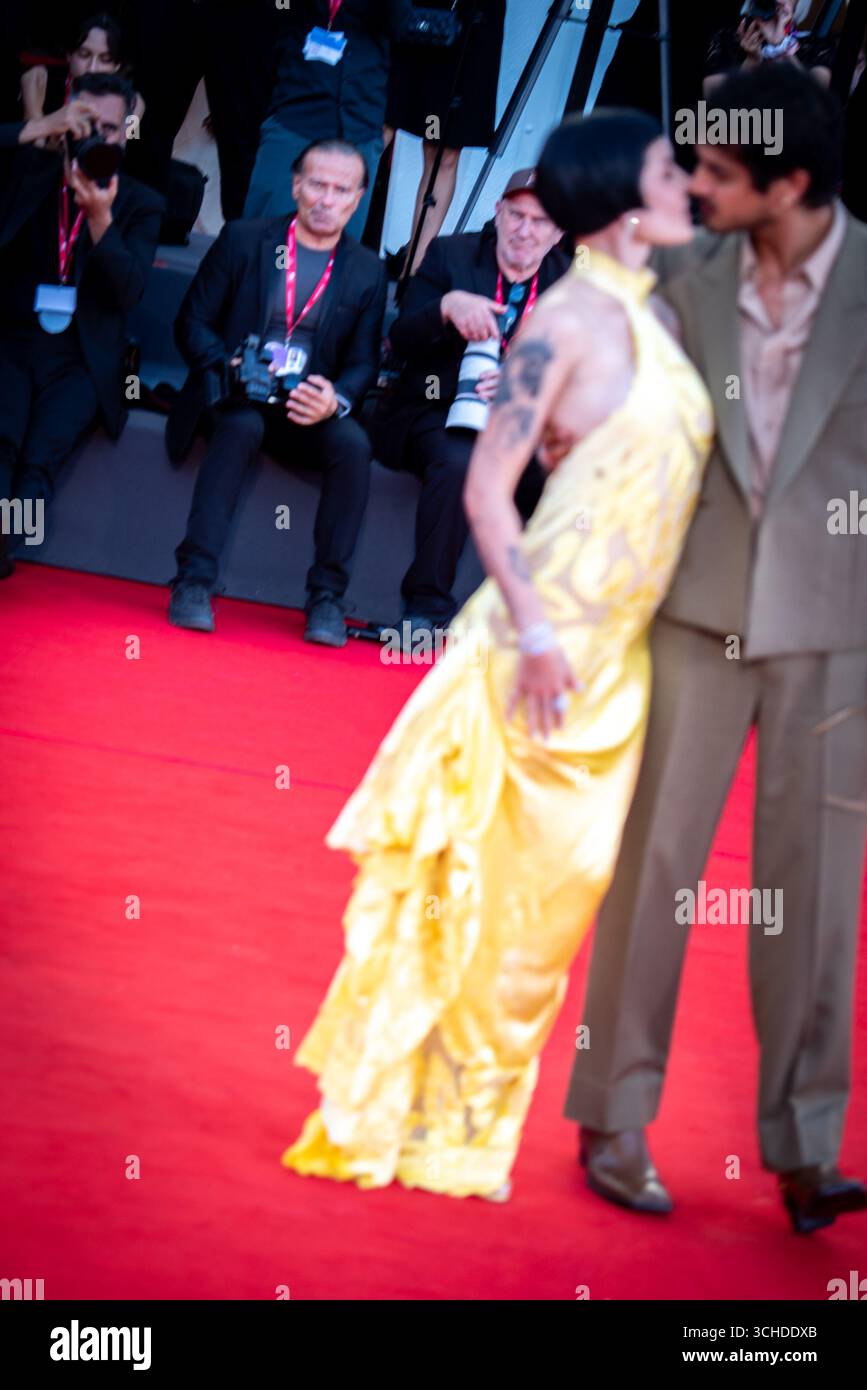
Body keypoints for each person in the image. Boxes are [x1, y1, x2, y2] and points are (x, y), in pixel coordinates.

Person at [278, 110, 713, 1200]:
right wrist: (527, 624)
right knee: (484, 889)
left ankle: (464, 1117)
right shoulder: (564, 319)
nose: (689, 185)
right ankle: (413, 1117)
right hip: (538, 647)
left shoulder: (660, 318)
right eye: (668, 172)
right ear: (620, 194)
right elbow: (485, 483)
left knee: (552, 906)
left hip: (625, 656)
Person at [564, 65, 867, 1236]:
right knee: (655, 873)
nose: (692, 187)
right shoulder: (683, 271)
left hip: (837, 632)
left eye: (718, 175)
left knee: (818, 896)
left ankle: (804, 1148)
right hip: (695, 611)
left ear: (788, 187)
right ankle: (614, 1115)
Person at [166, 138, 387, 647]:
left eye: (340, 189)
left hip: (305, 408)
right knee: (241, 427)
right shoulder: (244, 239)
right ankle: (194, 582)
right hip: (236, 396)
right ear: (295, 185)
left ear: (357, 199)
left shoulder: (368, 270)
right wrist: (228, 364)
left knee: (353, 445)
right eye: (317, 184)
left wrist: (336, 399)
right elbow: (191, 322)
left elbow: (363, 363)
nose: (326, 199)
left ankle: (327, 598)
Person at [372, 167, 569, 642]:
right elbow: (399, 338)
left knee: (573, 477)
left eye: (540, 222)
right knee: (462, 461)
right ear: (497, 213)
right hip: (434, 408)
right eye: (516, 215)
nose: (525, 230)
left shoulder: (573, 282)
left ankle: (544, 623)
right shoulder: (451, 255)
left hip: (522, 424)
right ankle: (425, 611)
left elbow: (593, 373)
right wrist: (445, 310)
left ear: (559, 230)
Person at [0, 72, 163, 577]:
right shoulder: (30, 171)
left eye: (111, 128)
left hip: (82, 357)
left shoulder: (141, 202)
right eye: (88, 122)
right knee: (2, 438)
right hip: (14, 337)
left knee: (39, 455)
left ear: (126, 132)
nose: (99, 136)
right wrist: (41, 126)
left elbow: (130, 290)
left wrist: (100, 220)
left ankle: (7, 543)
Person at [243, 0, 411, 238]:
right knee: (265, 235)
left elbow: (400, 25)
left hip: (358, 117)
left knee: (340, 246)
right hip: (298, 109)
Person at [123, 0, 279, 222]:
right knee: (142, 126)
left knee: (245, 146)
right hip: (172, 12)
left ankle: (246, 247)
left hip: (248, 16)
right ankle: (132, 232)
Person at [383, 0, 506, 276]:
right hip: (409, 8)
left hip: (469, 16)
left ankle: (414, 272)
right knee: (379, 123)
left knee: (443, 149)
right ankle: (332, 245)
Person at [19, 12, 144, 139]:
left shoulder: (133, 102)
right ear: (69, 54)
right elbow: (33, 148)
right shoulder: (40, 81)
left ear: (117, 65)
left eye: (105, 59)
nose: (92, 68)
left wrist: (126, 130)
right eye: (84, 54)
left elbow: (125, 149)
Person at [704, 0, 833, 96]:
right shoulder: (726, 39)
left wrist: (781, 47)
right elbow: (714, 100)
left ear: (798, 4)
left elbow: (818, 99)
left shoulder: (815, 46)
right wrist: (752, 60)